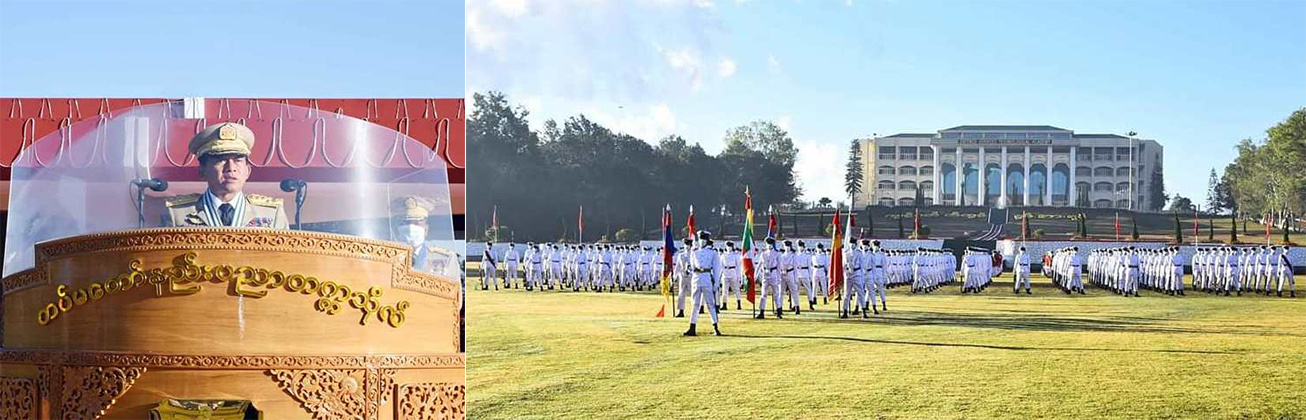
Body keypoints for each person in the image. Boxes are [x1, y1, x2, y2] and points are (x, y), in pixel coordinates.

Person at [164, 122, 289, 229]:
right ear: (202, 171)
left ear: (248, 171)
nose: (231, 168)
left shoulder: (271, 213)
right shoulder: (177, 214)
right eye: (221, 160)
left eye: (238, 160)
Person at [684, 231, 723, 336]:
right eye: (700, 239)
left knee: (710, 304)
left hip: (706, 278)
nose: (701, 241)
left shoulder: (712, 252)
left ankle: (715, 327)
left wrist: (716, 283)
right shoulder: (694, 251)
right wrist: (689, 270)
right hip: (696, 278)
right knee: (695, 304)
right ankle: (692, 327)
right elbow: (692, 266)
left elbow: (717, 269)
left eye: (703, 239)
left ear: (707, 240)